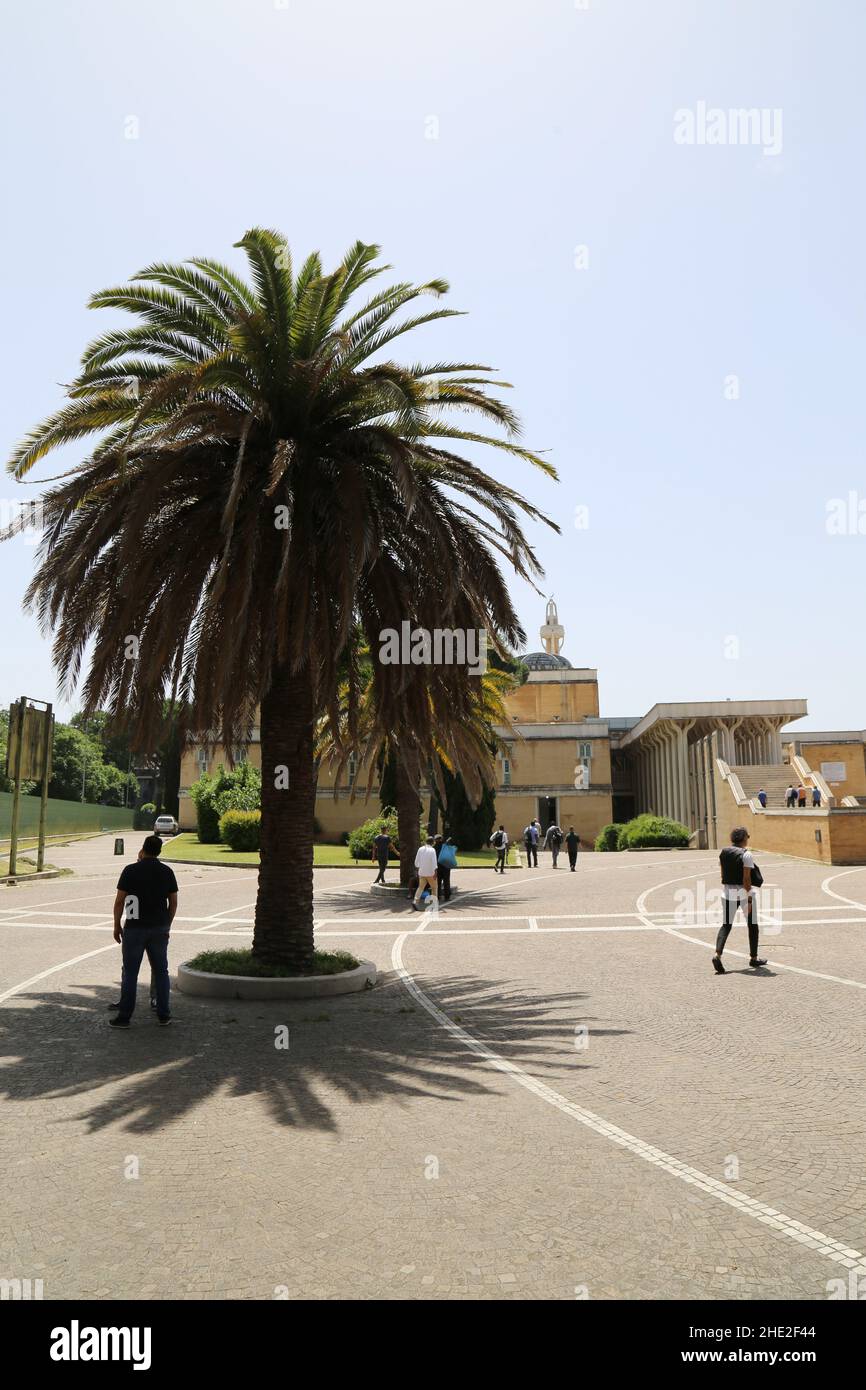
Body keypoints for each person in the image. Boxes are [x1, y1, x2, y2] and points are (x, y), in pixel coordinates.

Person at [110, 835, 178, 1027]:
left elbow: (119, 901)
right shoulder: (167, 872)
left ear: (143, 848)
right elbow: (173, 903)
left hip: (135, 926)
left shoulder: (130, 871)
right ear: (159, 851)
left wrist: (117, 924)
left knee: (130, 973)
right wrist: (167, 924)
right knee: (161, 971)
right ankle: (164, 1015)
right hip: (159, 927)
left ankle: (124, 1017)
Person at [712, 826, 767, 975]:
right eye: (747, 837)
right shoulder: (746, 854)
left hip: (727, 894)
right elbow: (747, 878)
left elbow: (722, 874)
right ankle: (753, 958)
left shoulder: (724, 852)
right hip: (743, 894)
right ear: (743, 838)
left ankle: (717, 955)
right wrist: (749, 899)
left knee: (726, 925)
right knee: (752, 925)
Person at [412, 837, 439, 910]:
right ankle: (434, 904)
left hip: (422, 872)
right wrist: (435, 872)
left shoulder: (420, 849)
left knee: (420, 888)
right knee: (434, 888)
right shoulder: (432, 850)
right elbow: (434, 862)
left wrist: (419, 868)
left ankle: (415, 901)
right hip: (430, 873)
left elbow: (416, 862)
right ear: (432, 842)